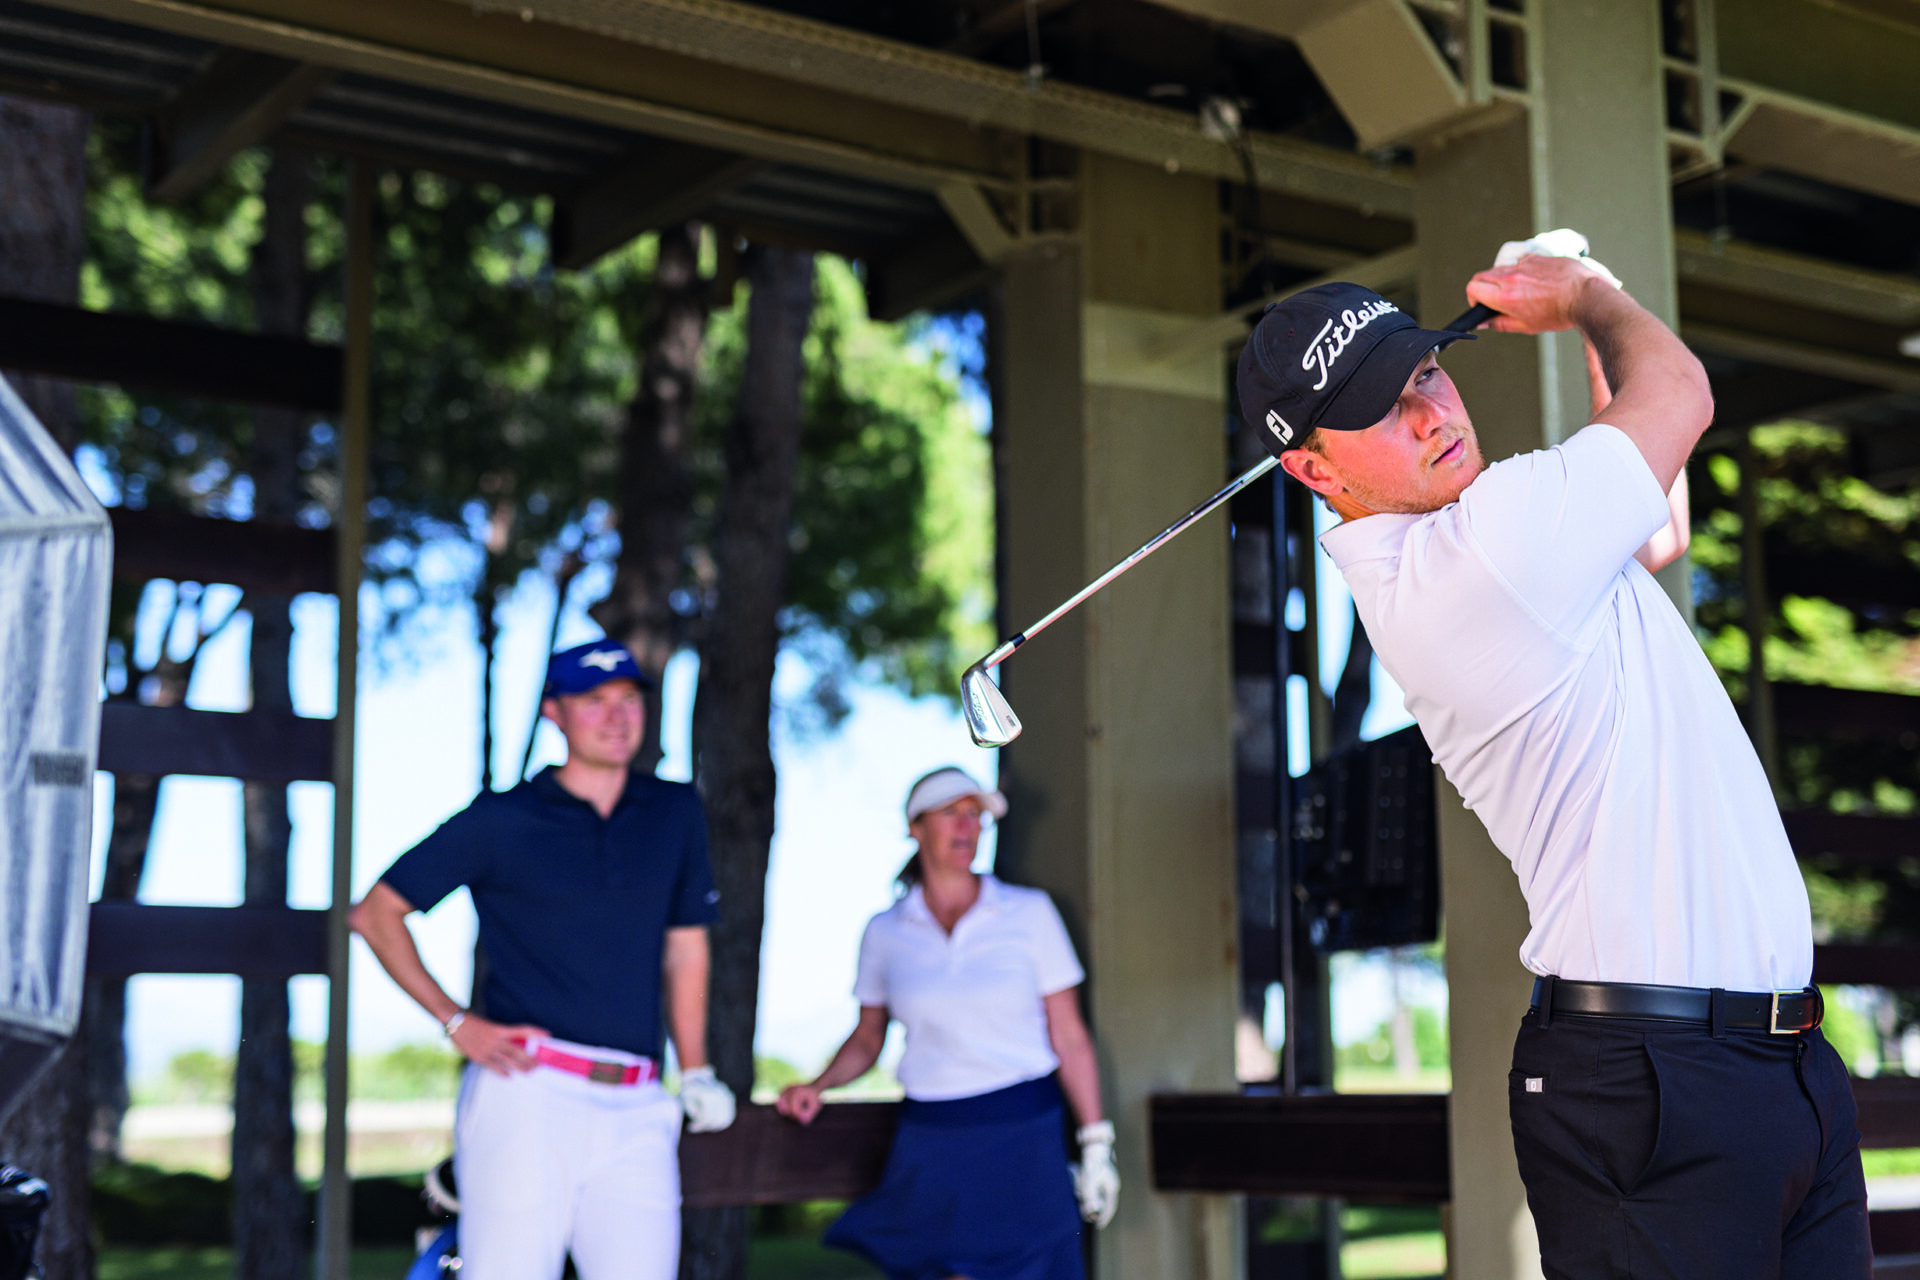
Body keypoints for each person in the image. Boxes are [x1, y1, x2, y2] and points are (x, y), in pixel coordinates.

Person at [1237, 251, 1870, 1278]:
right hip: (1658, 1081)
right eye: (1382, 410)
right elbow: (1680, 392)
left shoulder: (1507, 544)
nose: (1431, 414)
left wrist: (1589, 329)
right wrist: (1584, 296)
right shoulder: (1487, 553)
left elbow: (1658, 524)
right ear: (1314, 470)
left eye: (1426, 373)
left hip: (1773, 1062)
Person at [348, 640, 737, 1280]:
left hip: (640, 1101)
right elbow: (375, 913)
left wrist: (695, 1073)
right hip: (528, 1095)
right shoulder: (503, 818)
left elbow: (685, 946)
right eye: (594, 701)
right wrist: (456, 1022)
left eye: (629, 699)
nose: (616, 717)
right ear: (554, 712)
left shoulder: (674, 812)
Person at [776, 766, 1119, 1280]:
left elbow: (1069, 1037)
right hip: (931, 1142)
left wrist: (1096, 1146)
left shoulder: (1029, 913)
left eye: (976, 814)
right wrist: (819, 1085)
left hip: (1023, 1136)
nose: (967, 826)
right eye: (950, 813)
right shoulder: (885, 932)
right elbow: (869, 1037)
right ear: (915, 828)